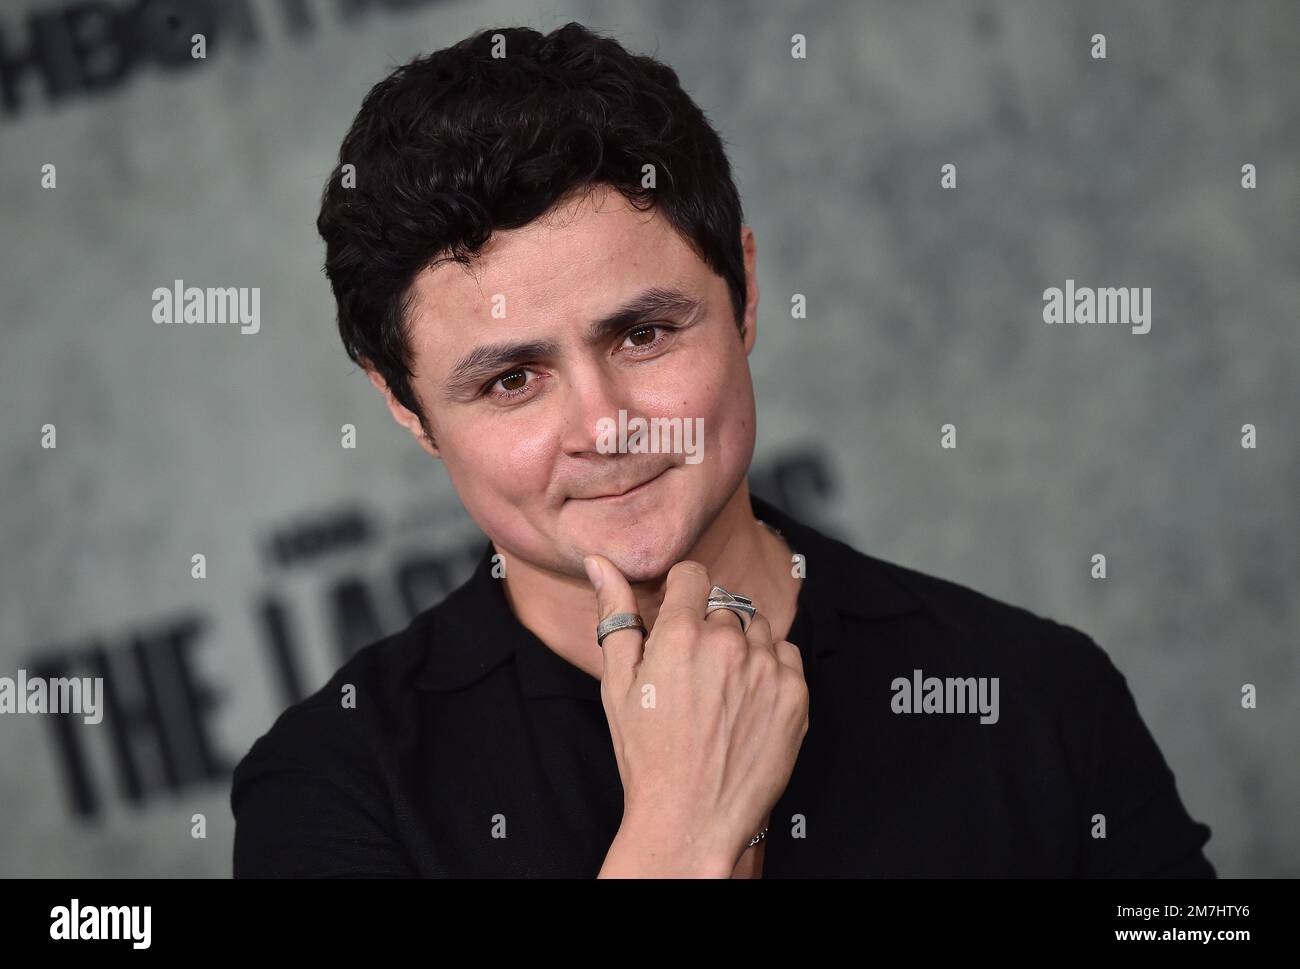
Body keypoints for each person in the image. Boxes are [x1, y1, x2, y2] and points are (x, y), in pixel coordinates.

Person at [230, 22, 1214, 878]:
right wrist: (681, 833)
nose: (607, 425)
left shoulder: (1037, 699)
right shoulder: (334, 792)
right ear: (405, 404)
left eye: (643, 334)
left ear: (741, 290)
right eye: (510, 380)